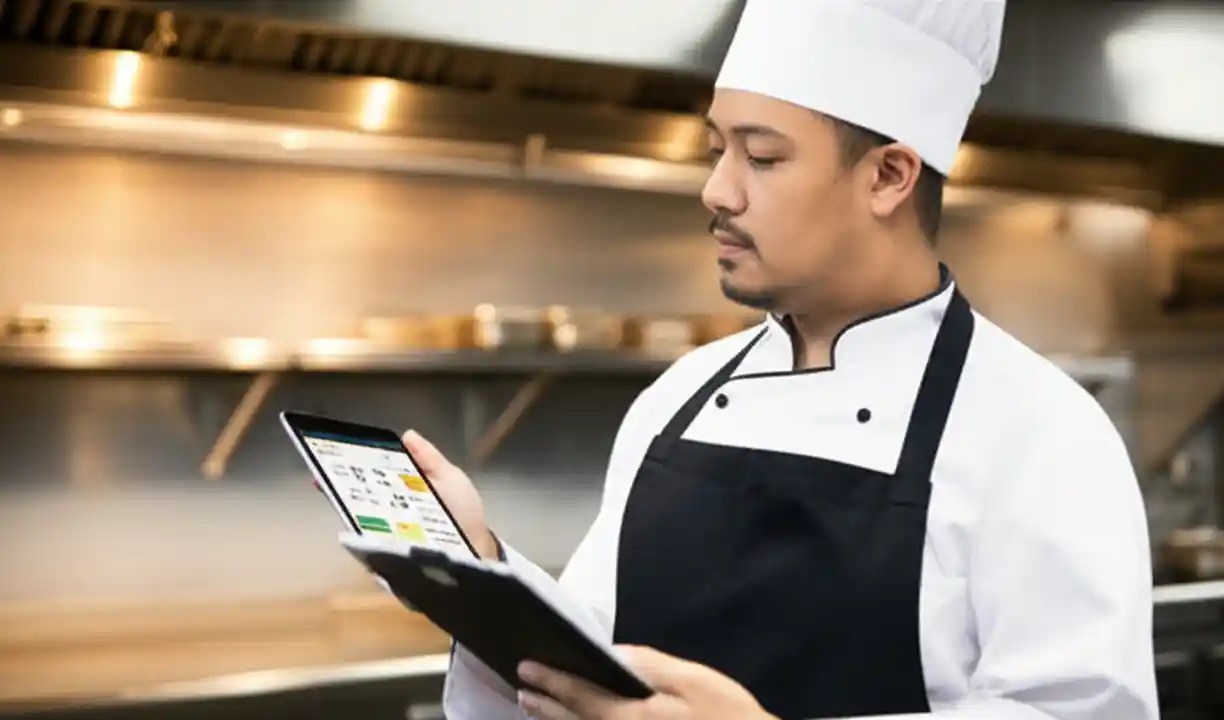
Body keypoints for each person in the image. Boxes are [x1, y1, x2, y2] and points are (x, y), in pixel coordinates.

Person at [398, 0, 1160, 717]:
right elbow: (590, 673)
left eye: (761, 157)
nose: (716, 189)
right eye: (715, 149)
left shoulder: (1042, 433)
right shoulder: (679, 397)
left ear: (889, 176)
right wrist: (483, 574)